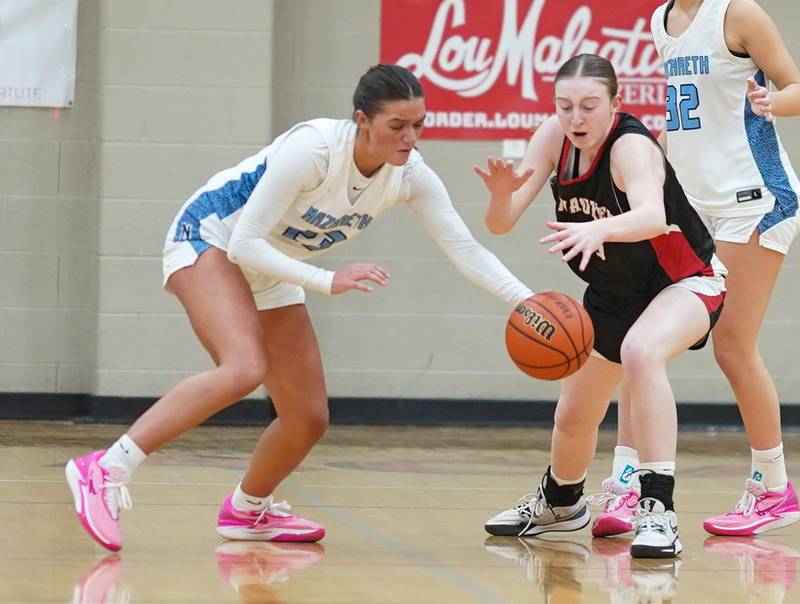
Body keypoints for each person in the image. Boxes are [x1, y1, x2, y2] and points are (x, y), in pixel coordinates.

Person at [65, 64, 534, 552]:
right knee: (244, 367)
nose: (411, 137)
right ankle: (105, 467)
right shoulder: (314, 149)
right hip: (211, 237)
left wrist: (527, 301)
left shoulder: (410, 174)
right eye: (398, 126)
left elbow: (466, 251)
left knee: (307, 416)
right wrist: (328, 280)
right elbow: (245, 242)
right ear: (362, 120)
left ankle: (247, 511)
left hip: (273, 261)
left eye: (419, 125)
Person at [478, 53, 726, 558]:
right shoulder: (553, 139)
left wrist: (599, 228)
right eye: (565, 105)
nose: (575, 118)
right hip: (615, 293)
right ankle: (561, 501)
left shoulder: (630, 146)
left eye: (589, 105)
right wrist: (501, 197)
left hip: (685, 280)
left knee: (641, 352)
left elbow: (653, 216)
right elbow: (500, 225)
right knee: (574, 411)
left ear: (616, 103)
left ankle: (658, 511)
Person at [596, 0, 800, 538]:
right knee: (641, 336)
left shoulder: (739, 14)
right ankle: (627, 481)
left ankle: (774, 487)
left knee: (731, 344)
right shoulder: (661, 20)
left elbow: (795, 86)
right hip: (692, 201)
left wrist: (774, 100)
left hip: (755, 199)